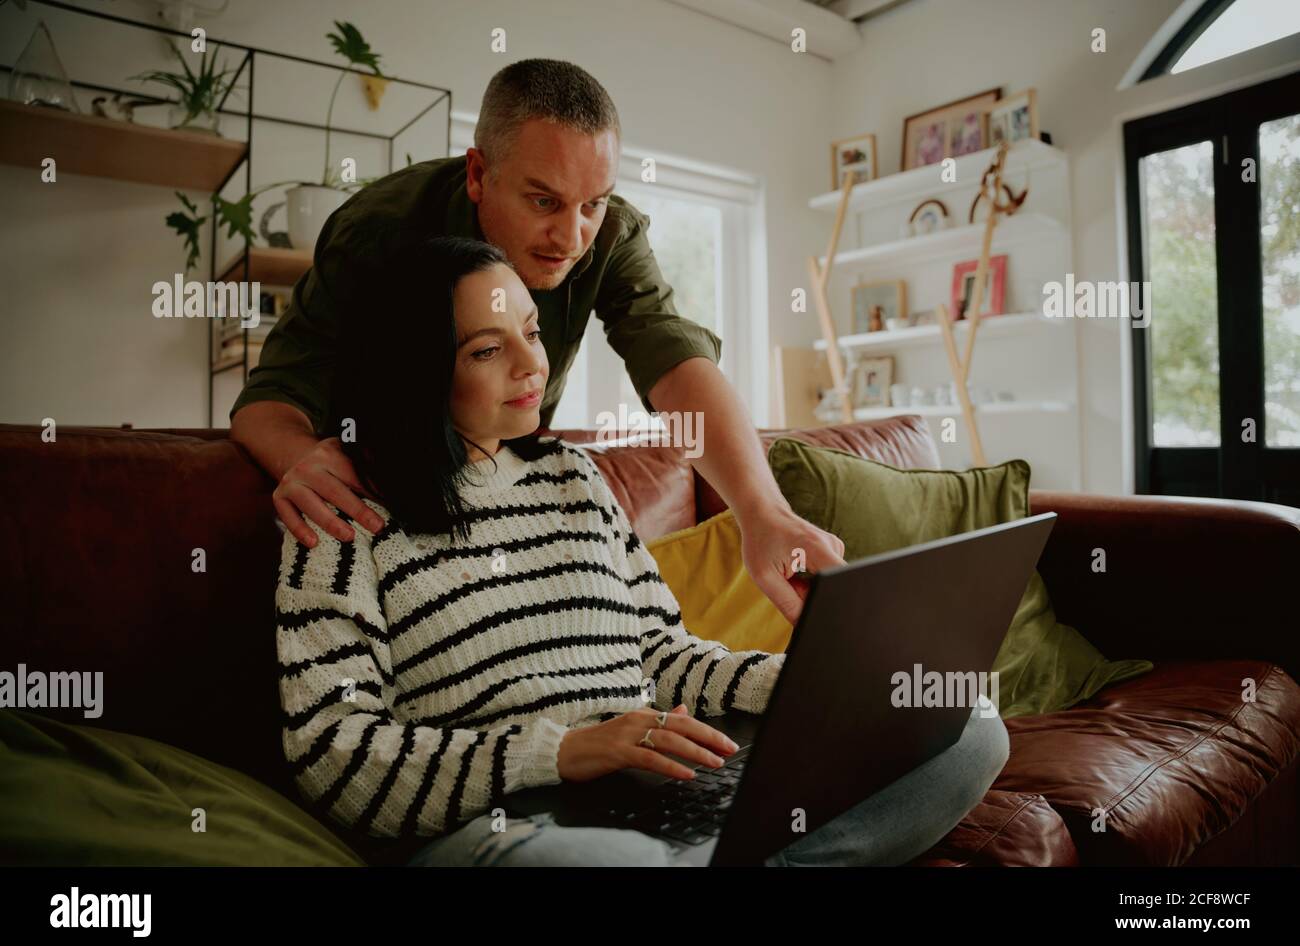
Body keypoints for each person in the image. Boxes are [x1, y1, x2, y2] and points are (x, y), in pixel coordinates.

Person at [274, 235, 1011, 867]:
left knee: (962, 721)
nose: (532, 366)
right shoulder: (342, 517)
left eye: (533, 332)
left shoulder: (572, 476)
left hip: (656, 786)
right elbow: (333, 753)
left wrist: (812, 685)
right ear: (417, 371)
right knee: (612, 862)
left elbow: (660, 656)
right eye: (488, 349)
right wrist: (559, 752)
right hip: (508, 824)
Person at [233, 58, 844, 628]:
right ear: (479, 174)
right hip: (380, 505)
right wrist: (302, 459)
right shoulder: (378, 230)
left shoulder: (610, 235)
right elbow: (272, 397)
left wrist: (764, 513)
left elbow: (672, 360)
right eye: (543, 200)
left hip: (505, 493)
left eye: (593, 204)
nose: (570, 235)